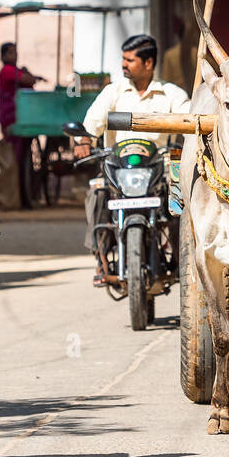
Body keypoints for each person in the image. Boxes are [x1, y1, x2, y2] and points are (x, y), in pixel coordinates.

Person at [73, 35, 191, 285]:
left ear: (148, 63)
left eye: (130, 60)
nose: (123, 65)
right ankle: (102, 260)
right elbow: (91, 123)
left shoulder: (172, 95)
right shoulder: (112, 92)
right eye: (123, 59)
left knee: (185, 204)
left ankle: (185, 262)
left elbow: (191, 123)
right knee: (96, 194)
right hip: (118, 171)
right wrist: (83, 142)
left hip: (161, 171)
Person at [0, 42, 44, 208]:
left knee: (22, 158)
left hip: (20, 118)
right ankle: (19, 197)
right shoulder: (7, 71)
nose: (14, 56)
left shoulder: (15, 70)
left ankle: (24, 196)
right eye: (10, 53)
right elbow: (29, 80)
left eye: (15, 52)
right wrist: (29, 75)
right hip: (11, 119)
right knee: (16, 160)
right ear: (2, 56)